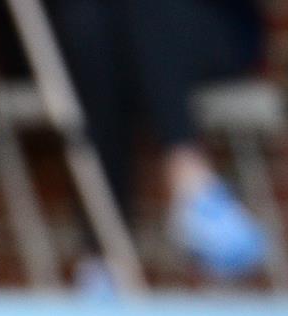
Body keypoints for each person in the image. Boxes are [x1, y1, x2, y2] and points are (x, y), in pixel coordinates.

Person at [22, 0, 271, 283]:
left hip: (206, 28)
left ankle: (104, 253)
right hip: (95, 33)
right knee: (89, 23)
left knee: (120, 18)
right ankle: (190, 194)